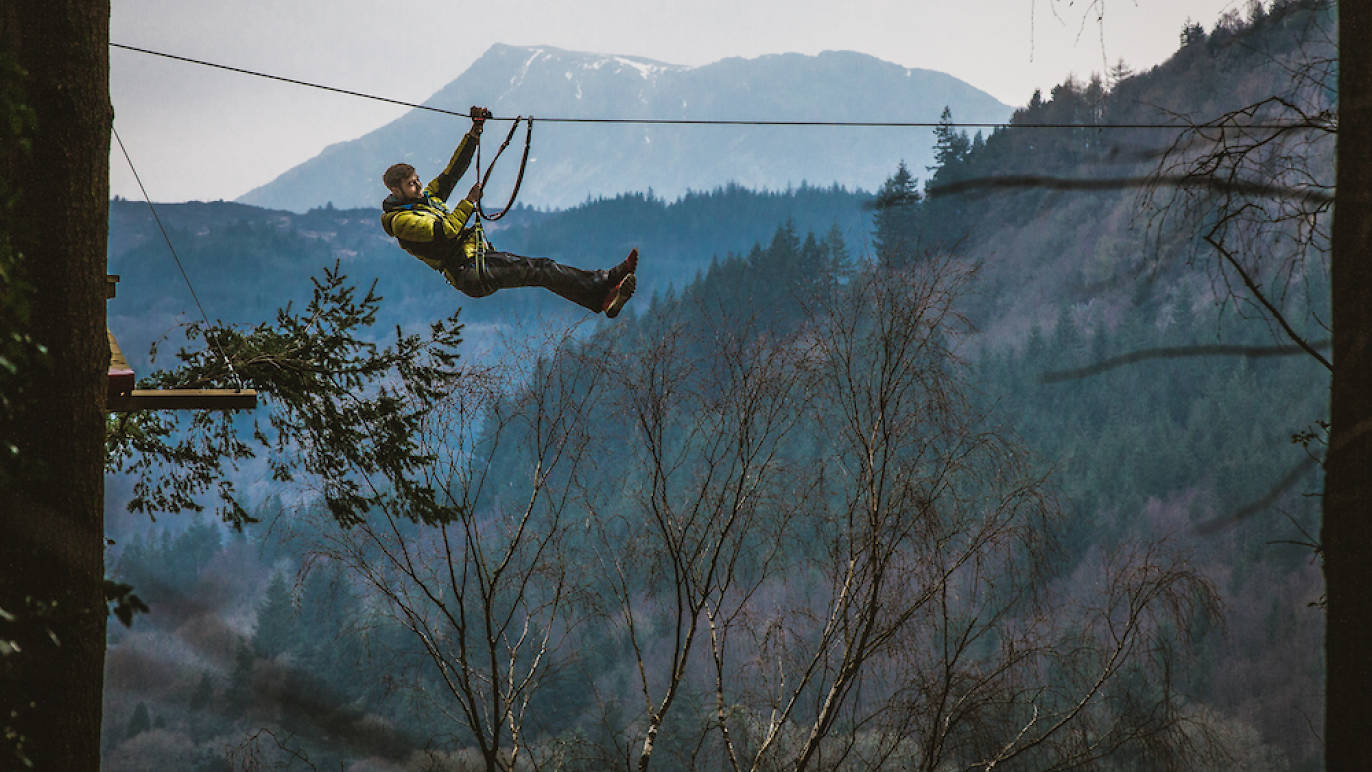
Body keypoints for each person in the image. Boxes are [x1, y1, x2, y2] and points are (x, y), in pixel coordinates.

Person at [380, 106, 637, 318]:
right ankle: (606, 286)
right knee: (542, 269)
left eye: (417, 179)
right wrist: (469, 202)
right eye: (411, 183)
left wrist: (474, 132)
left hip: (479, 260)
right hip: (469, 272)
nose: (418, 185)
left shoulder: (426, 199)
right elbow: (445, 231)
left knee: (542, 270)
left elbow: (452, 171)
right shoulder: (401, 222)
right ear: (395, 190)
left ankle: (604, 293)